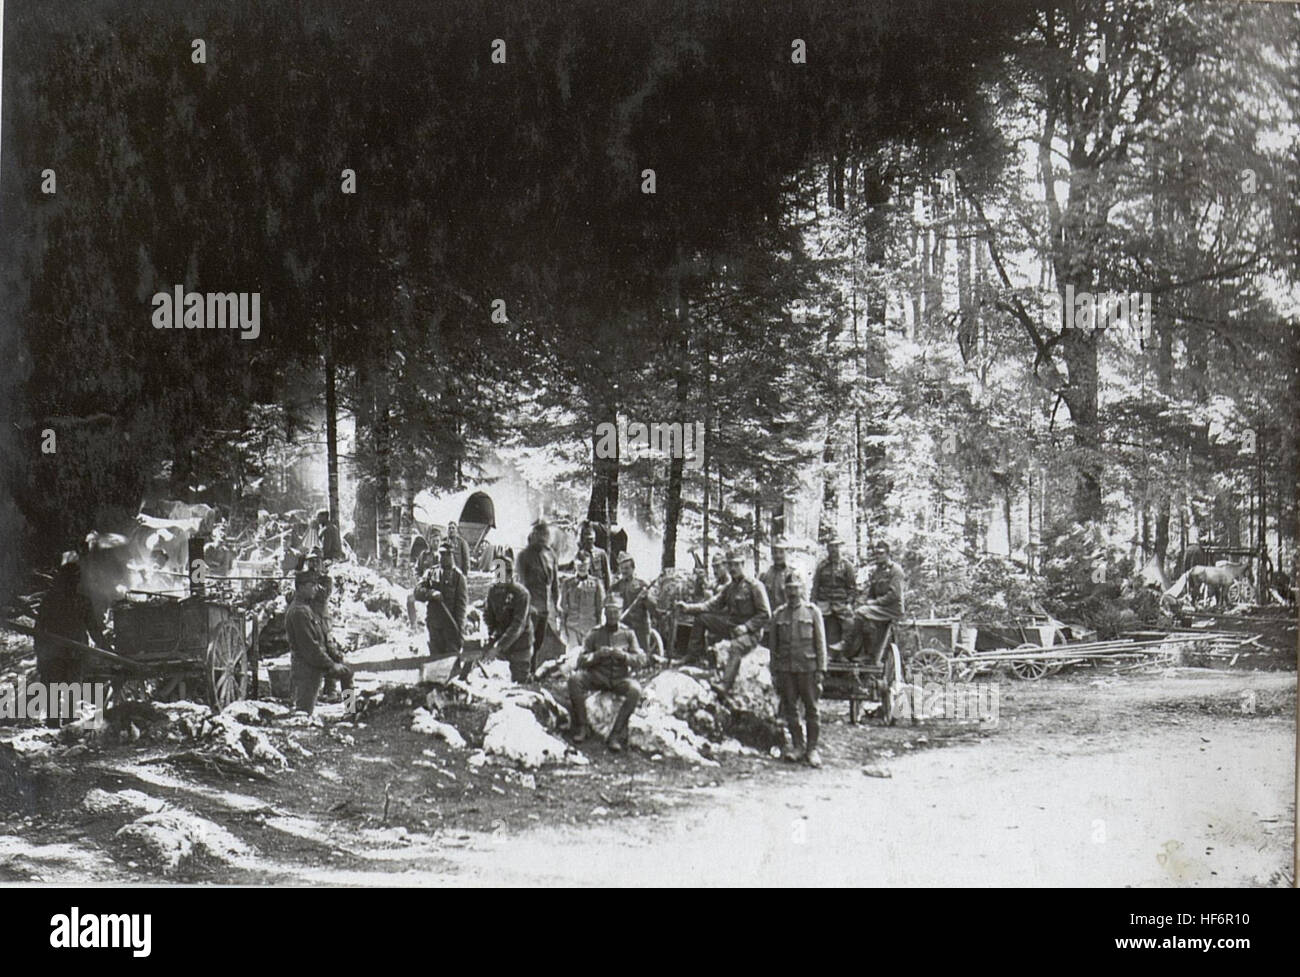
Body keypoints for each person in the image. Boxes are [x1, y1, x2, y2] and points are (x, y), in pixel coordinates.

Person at [677, 547, 771, 693]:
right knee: (702, 618)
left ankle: (725, 684)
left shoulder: (755, 586)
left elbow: (765, 614)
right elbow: (711, 605)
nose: (732, 568)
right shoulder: (730, 587)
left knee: (736, 646)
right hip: (732, 626)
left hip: (751, 633)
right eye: (729, 565)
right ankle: (692, 656)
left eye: (735, 564)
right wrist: (688, 608)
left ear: (743, 564)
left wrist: (746, 627)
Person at [34, 555, 107, 728]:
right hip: (61, 653)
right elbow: (39, 628)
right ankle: (57, 723)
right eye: (72, 579)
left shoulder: (57, 601)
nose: (73, 583)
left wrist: (106, 648)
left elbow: (94, 630)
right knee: (61, 688)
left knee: (67, 689)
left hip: (68, 652)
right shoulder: (55, 601)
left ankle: (62, 724)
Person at [567, 595, 646, 752]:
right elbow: (581, 660)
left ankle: (615, 734)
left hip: (619, 678)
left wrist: (624, 656)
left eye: (615, 612)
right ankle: (583, 726)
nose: (612, 616)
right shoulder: (595, 633)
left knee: (635, 690)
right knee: (574, 680)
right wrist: (597, 656)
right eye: (609, 612)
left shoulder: (628, 634)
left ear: (620, 613)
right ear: (604, 613)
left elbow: (641, 659)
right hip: (598, 676)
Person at [769, 572, 826, 767]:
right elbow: (773, 647)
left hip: (808, 668)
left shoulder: (812, 612)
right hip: (786, 668)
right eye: (789, 588)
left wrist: (821, 669)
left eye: (796, 588)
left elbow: (820, 643)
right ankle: (798, 746)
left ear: (802, 589)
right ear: (785, 591)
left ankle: (812, 749)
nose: (792, 592)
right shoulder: (778, 615)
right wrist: (774, 671)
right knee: (790, 709)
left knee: (812, 709)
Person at [285, 571, 350, 715]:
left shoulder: (307, 608)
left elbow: (321, 636)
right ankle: (350, 711)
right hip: (307, 668)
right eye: (311, 585)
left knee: (346, 673)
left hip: (314, 664)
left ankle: (351, 712)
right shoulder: (299, 612)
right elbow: (310, 648)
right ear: (301, 587)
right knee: (304, 712)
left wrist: (334, 655)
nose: (315, 588)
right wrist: (331, 664)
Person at [475, 554, 533, 683]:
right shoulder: (493, 591)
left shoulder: (521, 593)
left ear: (509, 574)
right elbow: (488, 615)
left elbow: (518, 625)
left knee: (520, 684)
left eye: (500, 573)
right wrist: (490, 637)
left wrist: (498, 646)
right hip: (500, 644)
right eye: (495, 573)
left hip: (520, 647)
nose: (497, 577)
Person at [849, 541, 906, 664]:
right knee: (860, 615)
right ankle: (859, 652)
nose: (878, 556)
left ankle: (864, 654)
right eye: (876, 553)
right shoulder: (877, 571)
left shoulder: (896, 570)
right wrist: (865, 600)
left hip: (892, 608)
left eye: (881, 553)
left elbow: (894, 595)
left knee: (861, 612)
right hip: (880, 608)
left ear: (888, 554)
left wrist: (875, 603)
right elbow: (871, 593)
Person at [515, 519, 559, 674]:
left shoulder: (550, 555)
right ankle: (526, 671)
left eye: (545, 534)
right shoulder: (524, 556)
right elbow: (521, 583)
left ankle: (532, 669)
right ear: (532, 535)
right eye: (539, 533)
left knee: (539, 641)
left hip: (545, 606)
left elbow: (554, 583)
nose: (542, 537)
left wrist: (557, 603)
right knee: (528, 640)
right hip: (530, 605)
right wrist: (527, 606)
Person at [413, 542, 468, 658]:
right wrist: (431, 593)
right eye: (442, 554)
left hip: (450, 627)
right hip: (434, 626)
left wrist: (460, 632)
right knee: (435, 660)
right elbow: (417, 591)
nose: (445, 557)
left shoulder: (458, 577)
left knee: (451, 660)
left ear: (452, 555)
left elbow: (461, 607)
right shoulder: (431, 573)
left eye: (448, 554)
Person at [311, 569, 354, 702]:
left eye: (317, 561)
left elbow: (324, 593)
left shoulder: (325, 583)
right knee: (344, 671)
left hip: (322, 638)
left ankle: (331, 692)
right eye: (311, 561)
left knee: (338, 661)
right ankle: (349, 709)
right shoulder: (309, 606)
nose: (314, 564)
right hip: (313, 648)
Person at [811, 532, 856, 652]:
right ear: (827, 548)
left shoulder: (847, 566)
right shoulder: (822, 566)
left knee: (850, 622)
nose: (834, 549)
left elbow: (852, 589)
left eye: (836, 546)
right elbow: (815, 586)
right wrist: (813, 603)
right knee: (814, 622)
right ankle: (817, 650)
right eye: (831, 546)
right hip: (824, 602)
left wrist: (849, 603)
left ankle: (844, 649)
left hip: (840, 603)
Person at [610, 552, 657, 657]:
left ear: (633, 568)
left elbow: (653, 606)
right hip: (623, 626)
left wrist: (647, 597)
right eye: (622, 568)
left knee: (642, 657)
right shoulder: (615, 586)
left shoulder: (642, 585)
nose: (624, 571)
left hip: (640, 627)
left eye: (627, 568)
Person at [560, 550, 604, 647]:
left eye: (585, 565)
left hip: (590, 628)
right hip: (572, 627)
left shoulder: (596, 583)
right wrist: (562, 629)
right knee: (572, 659)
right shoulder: (567, 583)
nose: (582, 568)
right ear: (575, 565)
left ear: (589, 565)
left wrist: (600, 629)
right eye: (579, 565)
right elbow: (563, 608)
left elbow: (600, 608)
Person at [760, 539, 797, 615]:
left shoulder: (793, 574)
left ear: (787, 553)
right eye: (775, 552)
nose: (778, 556)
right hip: (769, 617)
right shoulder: (765, 574)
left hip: (787, 617)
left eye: (781, 552)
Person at [576, 521, 613, 591]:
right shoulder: (579, 555)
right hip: (586, 589)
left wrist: (608, 591)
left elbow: (607, 574)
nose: (589, 542)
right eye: (587, 539)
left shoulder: (601, 553)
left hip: (600, 588)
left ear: (594, 539)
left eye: (591, 539)